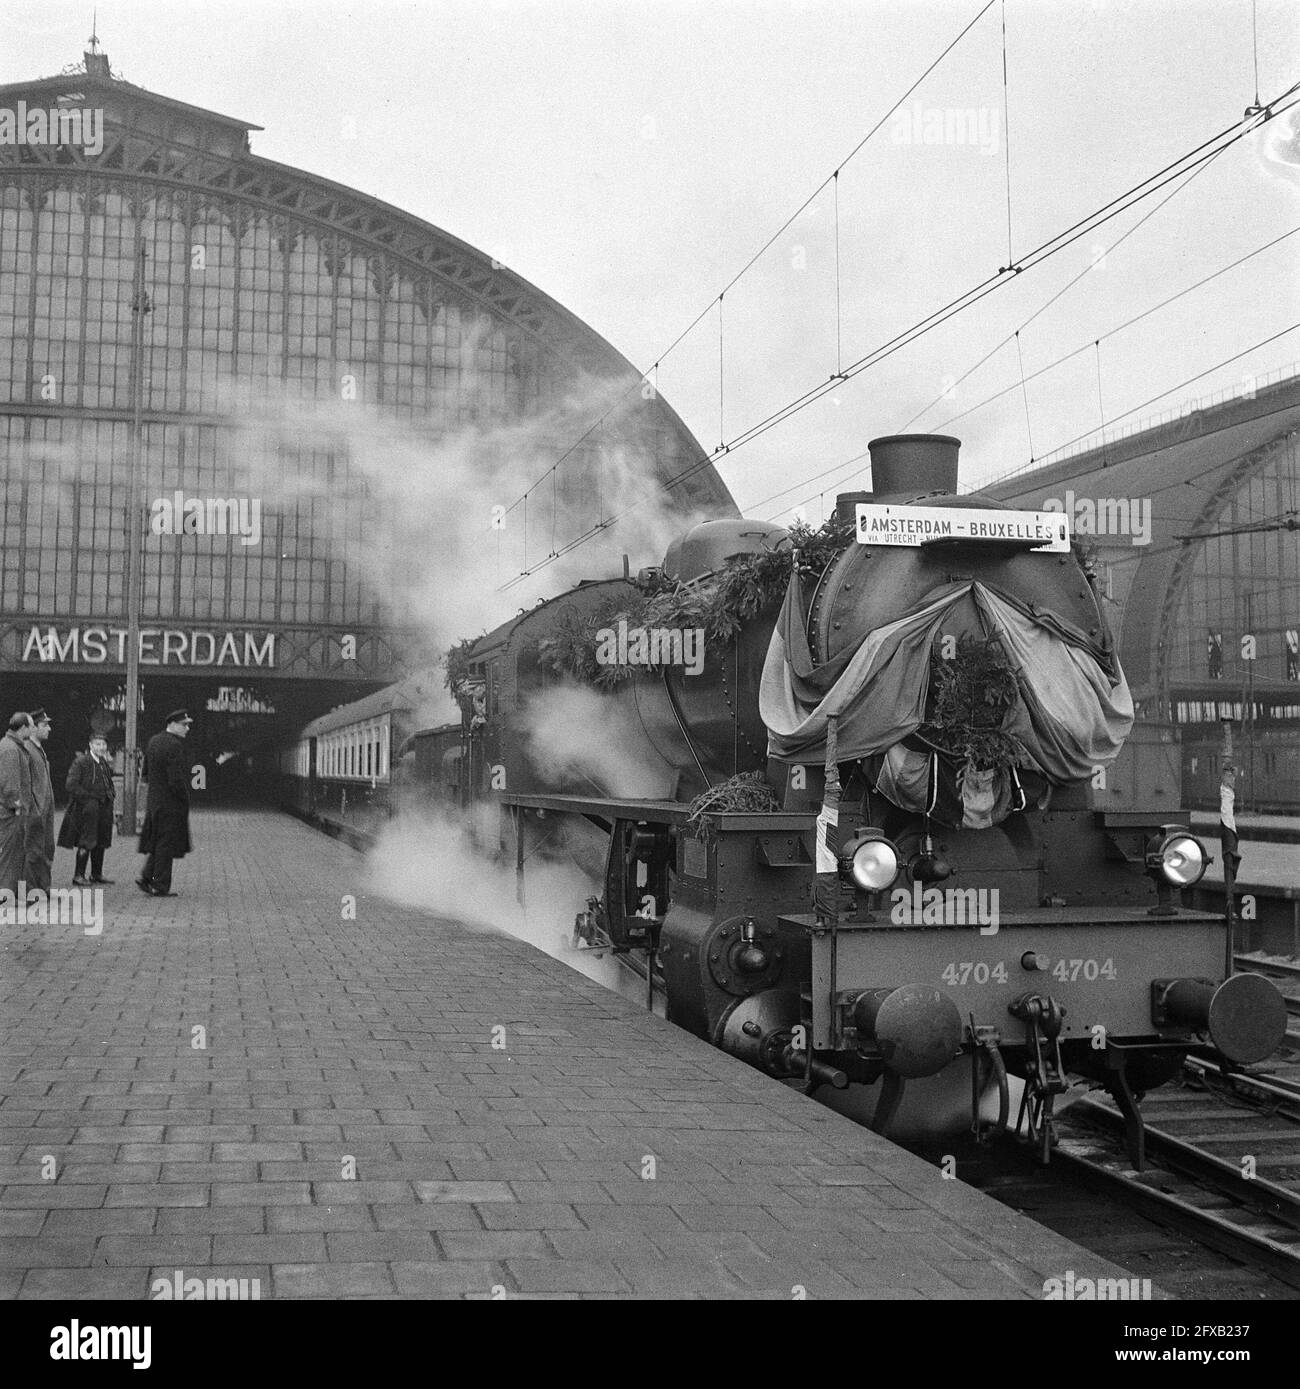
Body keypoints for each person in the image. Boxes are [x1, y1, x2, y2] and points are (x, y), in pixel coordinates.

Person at [137, 710, 193, 897]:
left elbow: (145, 772)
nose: (187, 728)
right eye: (184, 724)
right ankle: (160, 885)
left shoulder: (154, 741)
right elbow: (176, 779)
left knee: (158, 842)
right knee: (166, 844)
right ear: (173, 724)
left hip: (155, 801)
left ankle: (147, 877)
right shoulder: (174, 745)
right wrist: (185, 798)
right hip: (170, 803)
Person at [59, 733, 116, 885]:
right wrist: (88, 799)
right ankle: (78, 875)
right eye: (98, 744)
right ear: (90, 745)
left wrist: (111, 794)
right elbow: (71, 785)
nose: (101, 747)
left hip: (104, 807)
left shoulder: (103, 762)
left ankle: (96, 874)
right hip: (88, 809)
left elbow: (108, 782)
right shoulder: (81, 762)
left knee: (102, 839)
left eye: (103, 744)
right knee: (87, 840)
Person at [0, 713, 34, 897]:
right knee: (9, 854)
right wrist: (17, 804)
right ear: (23, 728)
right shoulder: (11, 749)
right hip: (11, 812)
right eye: (31, 725)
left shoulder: (11, 745)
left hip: (12, 810)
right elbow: (9, 782)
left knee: (14, 852)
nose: (33, 728)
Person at [23, 708, 56, 892]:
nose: (49, 728)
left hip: (46, 809)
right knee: (33, 851)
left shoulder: (39, 750)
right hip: (36, 810)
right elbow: (25, 783)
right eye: (45, 725)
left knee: (46, 848)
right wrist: (33, 809)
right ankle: (30, 890)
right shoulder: (27, 750)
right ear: (33, 728)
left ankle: (44, 887)